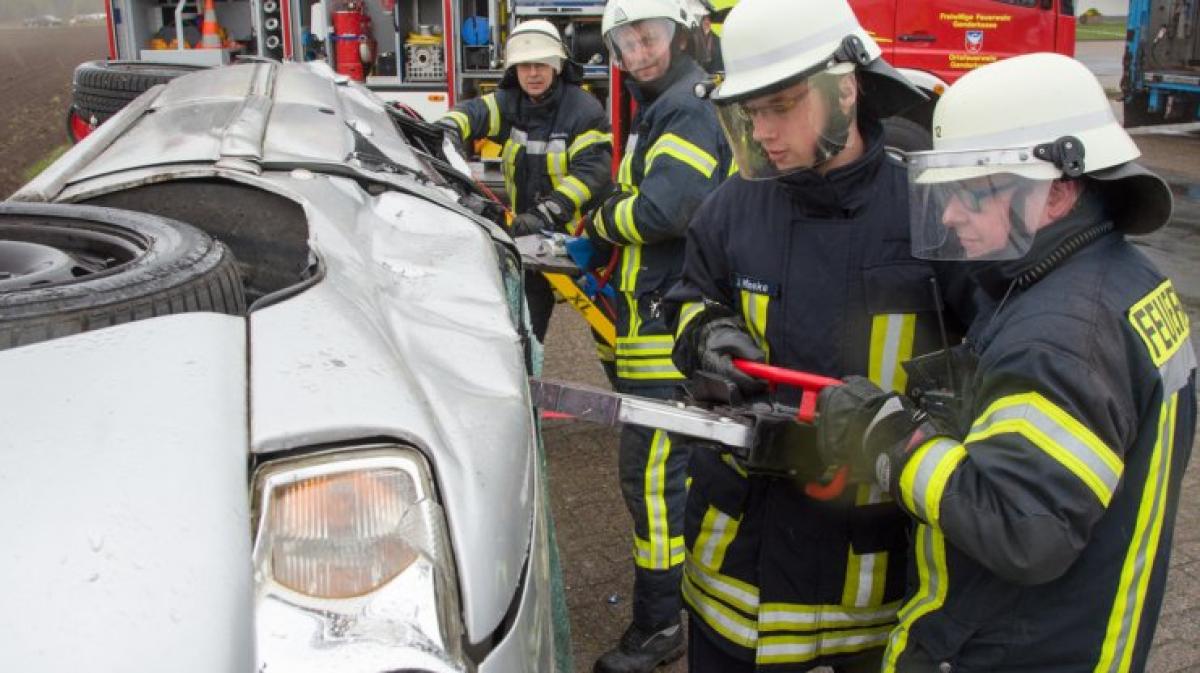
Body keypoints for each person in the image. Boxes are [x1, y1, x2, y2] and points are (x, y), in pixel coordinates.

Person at [817, 52, 1196, 672]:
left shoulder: (1061, 336)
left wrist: (892, 439)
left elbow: (1022, 527)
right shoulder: (1122, 279)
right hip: (1079, 629)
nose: (948, 214)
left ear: (1059, 190)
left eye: (975, 192)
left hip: (1018, 649)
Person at [663, 0, 967, 670]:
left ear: (845, 88)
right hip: (733, 570)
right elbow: (685, 298)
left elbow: (976, 368)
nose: (764, 132)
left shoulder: (928, 214)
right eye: (750, 113)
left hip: (861, 574)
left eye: (782, 107)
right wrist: (708, 333)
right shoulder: (734, 203)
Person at [587, 0, 733, 670]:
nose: (638, 52)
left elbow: (666, 208)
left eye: (649, 37)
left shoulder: (685, 107)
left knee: (651, 478)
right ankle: (679, 607)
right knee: (669, 473)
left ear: (683, 34)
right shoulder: (669, 104)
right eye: (626, 42)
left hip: (665, 330)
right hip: (656, 327)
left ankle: (658, 624)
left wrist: (602, 220)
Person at [438, 19, 612, 343]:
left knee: (610, 333)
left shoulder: (584, 110)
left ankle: (627, 383)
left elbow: (591, 173)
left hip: (581, 243)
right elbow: (471, 113)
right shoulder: (509, 102)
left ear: (556, 66)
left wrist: (545, 214)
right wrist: (445, 132)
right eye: (524, 65)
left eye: (541, 65)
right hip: (530, 244)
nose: (533, 73)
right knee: (524, 332)